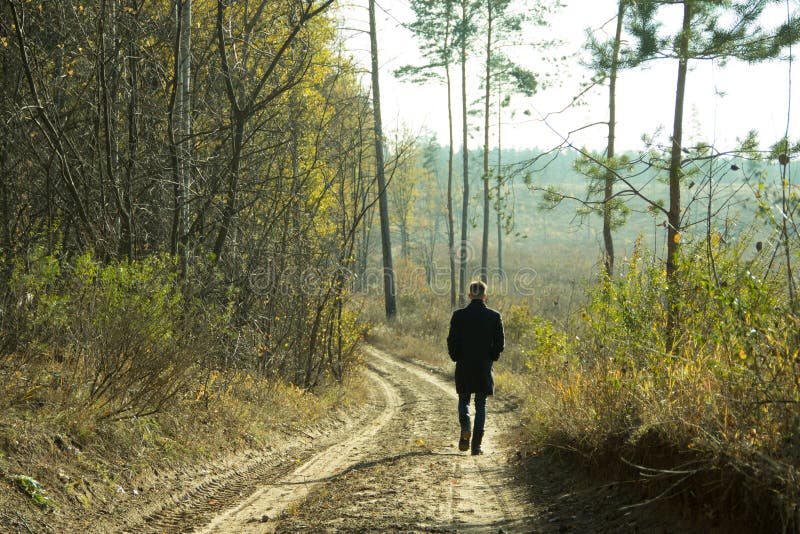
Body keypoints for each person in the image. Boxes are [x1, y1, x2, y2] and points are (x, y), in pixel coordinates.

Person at [446, 281, 504, 455]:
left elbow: (451, 340)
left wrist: (456, 356)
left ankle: (465, 426)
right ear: (485, 296)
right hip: (483, 366)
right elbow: (500, 343)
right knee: (481, 404)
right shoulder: (494, 316)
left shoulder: (458, 315)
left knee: (464, 400)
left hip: (464, 364)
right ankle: (476, 446)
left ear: (470, 295)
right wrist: (492, 357)